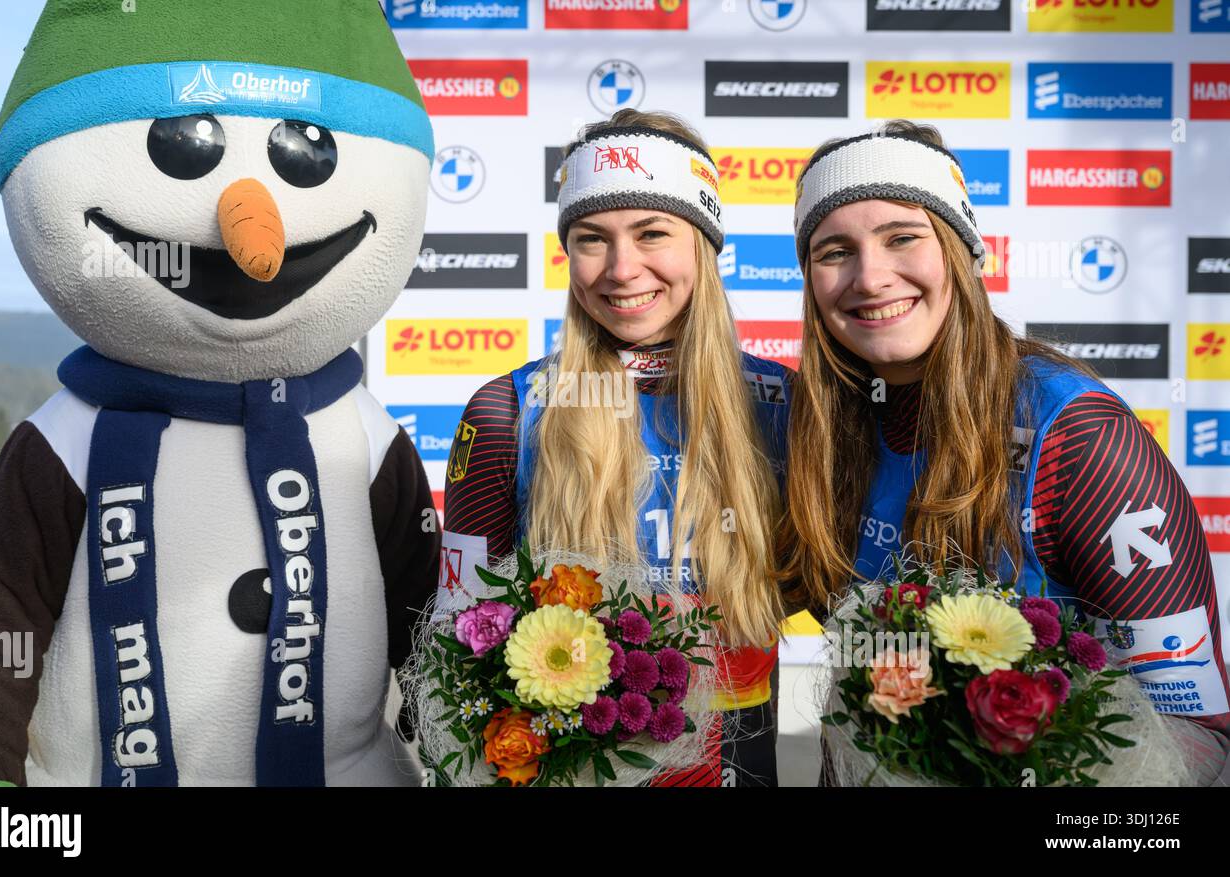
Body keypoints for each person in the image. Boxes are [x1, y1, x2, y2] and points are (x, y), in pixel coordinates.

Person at [781, 119, 1229, 784]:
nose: (870, 277)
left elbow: (1197, 736)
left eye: (903, 237)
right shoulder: (821, 432)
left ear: (962, 253)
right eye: (834, 251)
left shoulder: (1075, 435)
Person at [439, 110, 793, 786]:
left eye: (652, 232)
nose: (622, 268)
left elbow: (848, 588)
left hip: (740, 761)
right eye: (592, 239)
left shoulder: (783, 403)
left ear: (704, 244)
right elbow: (459, 635)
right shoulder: (507, 409)